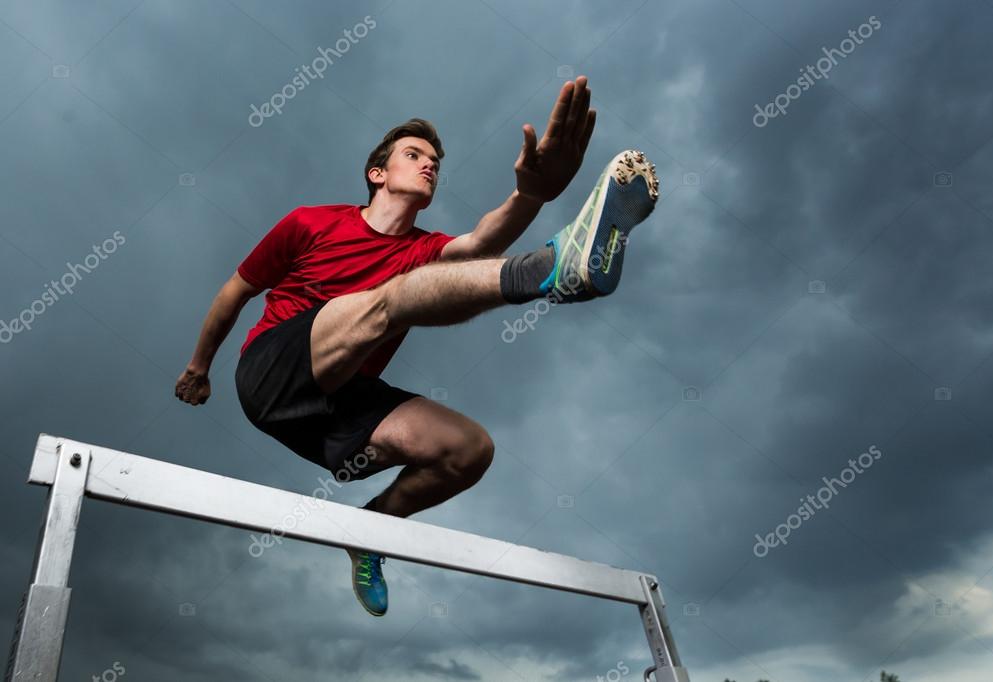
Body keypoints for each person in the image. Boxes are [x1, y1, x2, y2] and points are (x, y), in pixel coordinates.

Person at [174, 76, 658, 617]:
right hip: (271, 372)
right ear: (377, 174)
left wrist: (532, 194)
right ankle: (549, 271)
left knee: (469, 450)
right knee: (388, 300)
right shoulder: (310, 222)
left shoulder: (425, 248)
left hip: (334, 407)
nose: (429, 165)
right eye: (414, 154)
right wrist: (199, 367)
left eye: (435, 162)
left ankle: (370, 532)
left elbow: (481, 244)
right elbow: (236, 291)